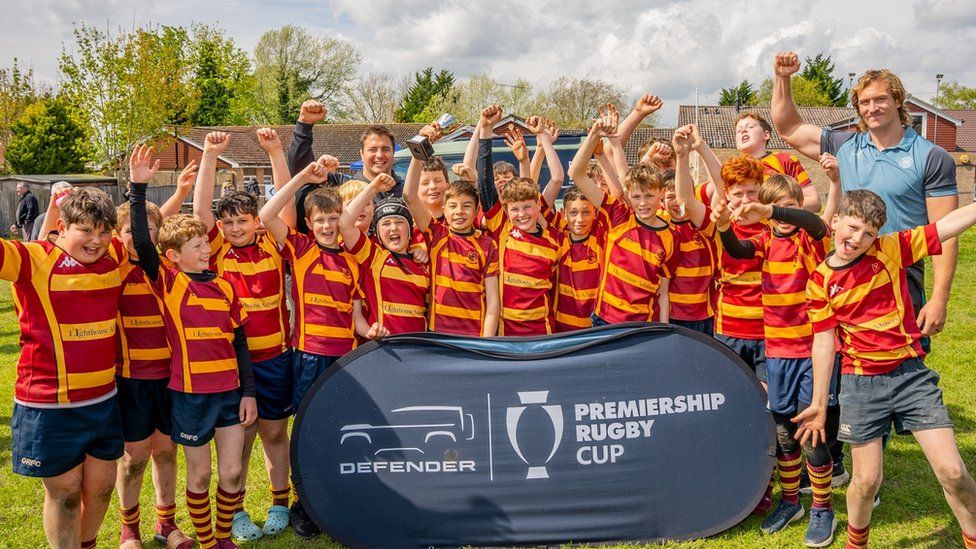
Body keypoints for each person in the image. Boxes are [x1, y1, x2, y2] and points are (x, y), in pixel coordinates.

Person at [796, 189, 976, 549]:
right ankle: (856, 543)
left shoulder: (890, 250)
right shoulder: (819, 281)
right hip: (861, 384)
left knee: (953, 472)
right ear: (835, 222)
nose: (858, 239)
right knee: (866, 481)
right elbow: (824, 342)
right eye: (853, 228)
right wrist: (818, 402)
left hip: (911, 376)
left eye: (869, 233)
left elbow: (947, 225)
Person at [770, 51, 958, 347]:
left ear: (898, 100)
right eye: (864, 102)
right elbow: (789, 128)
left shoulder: (931, 157)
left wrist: (939, 298)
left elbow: (945, 234)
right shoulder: (844, 145)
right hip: (847, 266)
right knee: (844, 354)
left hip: (899, 272)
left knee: (899, 357)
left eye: (880, 99)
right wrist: (782, 78)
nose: (872, 108)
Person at [129, 144, 258, 549]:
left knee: (232, 472)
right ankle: (207, 542)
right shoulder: (169, 282)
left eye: (206, 242)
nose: (207, 249)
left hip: (229, 394)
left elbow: (240, 342)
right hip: (189, 396)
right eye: (198, 246)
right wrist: (137, 189)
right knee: (200, 476)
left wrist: (248, 391)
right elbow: (143, 244)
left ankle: (223, 538)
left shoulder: (225, 287)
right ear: (174, 256)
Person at [258, 155, 388, 537]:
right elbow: (267, 215)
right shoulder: (299, 249)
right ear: (309, 223)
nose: (328, 226)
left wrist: (370, 330)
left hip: (346, 360)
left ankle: (339, 498)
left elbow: (357, 315)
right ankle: (305, 504)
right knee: (308, 431)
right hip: (309, 357)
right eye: (320, 220)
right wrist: (304, 176)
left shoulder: (353, 260)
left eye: (333, 219)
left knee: (344, 429)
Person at [715, 171, 841, 547]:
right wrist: (723, 227)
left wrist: (771, 210)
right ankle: (790, 502)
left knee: (810, 434)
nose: (782, 215)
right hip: (777, 353)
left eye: (788, 207)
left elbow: (814, 222)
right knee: (784, 433)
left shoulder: (811, 239)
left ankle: (823, 509)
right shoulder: (765, 241)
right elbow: (738, 250)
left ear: (796, 207)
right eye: (774, 208)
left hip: (811, 353)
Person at [4, 186, 126, 549]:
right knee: (67, 494)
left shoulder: (115, 256)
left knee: (101, 489)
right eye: (85, 230)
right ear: (61, 227)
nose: (96, 240)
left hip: (103, 400)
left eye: (103, 232)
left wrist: (136, 188)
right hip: (48, 405)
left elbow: (147, 229)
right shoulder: (33, 259)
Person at [192, 130, 294, 541]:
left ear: (256, 220)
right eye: (229, 222)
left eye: (243, 221)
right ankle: (234, 511)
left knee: (275, 433)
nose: (236, 228)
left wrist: (275, 152)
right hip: (235, 365)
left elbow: (285, 202)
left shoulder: (274, 242)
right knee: (241, 441)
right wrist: (210, 156)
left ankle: (280, 502)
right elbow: (201, 210)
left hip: (276, 358)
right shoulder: (216, 250)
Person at [113, 161, 199, 549]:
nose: (139, 236)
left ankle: (165, 523)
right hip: (131, 379)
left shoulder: (164, 269)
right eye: (131, 230)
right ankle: (128, 528)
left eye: (148, 230)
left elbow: (152, 227)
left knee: (165, 452)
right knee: (133, 458)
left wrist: (179, 194)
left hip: (170, 377)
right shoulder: (112, 267)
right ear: (118, 235)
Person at [569, 115, 678, 325]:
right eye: (636, 197)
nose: (643, 203)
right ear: (629, 195)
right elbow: (576, 174)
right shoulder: (617, 214)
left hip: (643, 326)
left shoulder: (671, 236)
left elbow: (663, 293)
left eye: (649, 196)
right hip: (604, 320)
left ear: (661, 193)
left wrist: (664, 330)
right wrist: (594, 134)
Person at [403, 123, 500, 337]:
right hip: (438, 335)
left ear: (476, 210)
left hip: (475, 337)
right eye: (453, 206)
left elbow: (493, 302)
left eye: (467, 206)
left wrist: (487, 342)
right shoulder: (437, 234)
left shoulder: (487, 245)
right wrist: (418, 148)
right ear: (445, 210)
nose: (459, 212)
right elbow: (409, 196)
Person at [477, 105, 566, 336]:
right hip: (506, 336)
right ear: (506, 211)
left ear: (538, 205)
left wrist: (542, 137)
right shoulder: (501, 228)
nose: (522, 214)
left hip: (543, 334)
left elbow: (557, 178)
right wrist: (486, 130)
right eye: (515, 209)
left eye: (527, 207)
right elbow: (485, 182)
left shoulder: (554, 239)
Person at [286, 100, 403, 233]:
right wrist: (304, 125)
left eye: (385, 149)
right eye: (373, 149)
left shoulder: (406, 192)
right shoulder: (340, 184)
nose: (379, 155)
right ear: (362, 154)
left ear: (393, 153)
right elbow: (301, 175)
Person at [668, 124, 726, 335]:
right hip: (669, 315)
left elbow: (722, 185)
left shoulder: (704, 224)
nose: (676, 202)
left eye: (679, 194)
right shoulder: (660, 225)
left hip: (704, 316)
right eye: (670, 197)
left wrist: (699, 147)